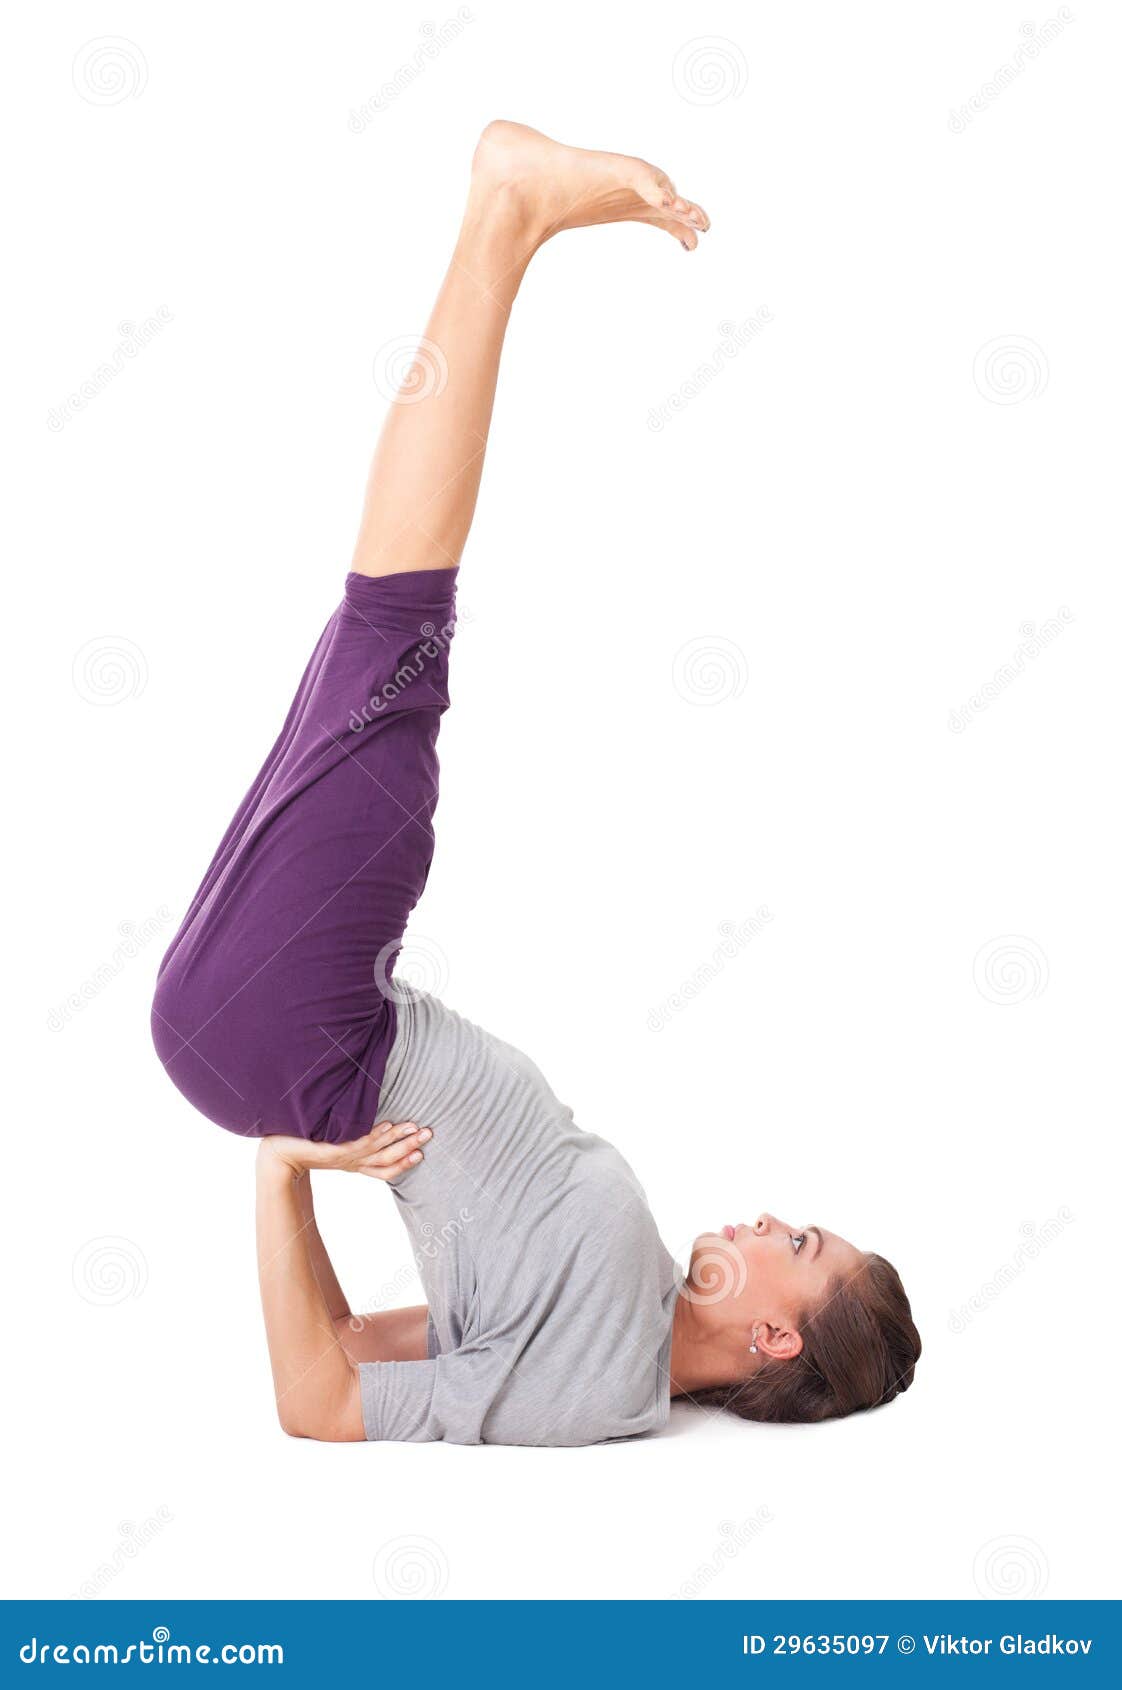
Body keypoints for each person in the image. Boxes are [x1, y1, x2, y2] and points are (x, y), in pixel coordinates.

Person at [151, 121, 921, 1446]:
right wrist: (284, 1150)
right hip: (306, 1020)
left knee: (397, 619)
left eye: (797, 1237)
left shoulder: (600, 1387)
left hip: (312, 1032)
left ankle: (503, 211)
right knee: (376, 630)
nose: (761, 1216)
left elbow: (318, 1400)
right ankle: (505, 216)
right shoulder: (601, 1333)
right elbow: (356, 1348)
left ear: (778, 1332)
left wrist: (284, 1170)